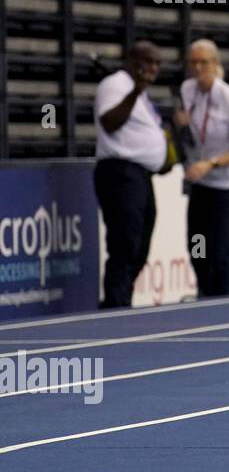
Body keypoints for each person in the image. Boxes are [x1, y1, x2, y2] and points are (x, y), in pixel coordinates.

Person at [175, 40, 229, 298]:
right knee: (197, 248)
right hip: (200, 184)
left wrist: (212, 163)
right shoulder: (187, 91)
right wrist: (182, 125)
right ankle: (204, 296)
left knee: (222, 255)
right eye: (193, 62)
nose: (198, 68)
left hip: (228, 186)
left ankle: (225, 306)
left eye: (203, 62)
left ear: (215, 64)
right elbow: (191, 134)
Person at [94, 41, 168, 308]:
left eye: (158, 63)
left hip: (140, 175)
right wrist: (135, 90)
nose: (154, 68)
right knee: (124, 241)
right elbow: (110, 122)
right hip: (120, 173)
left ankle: (118, 297)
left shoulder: (139, 93)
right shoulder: (115, 85)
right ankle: (116, 303)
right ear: (133, 61)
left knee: (140, 242)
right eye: (149, 62)